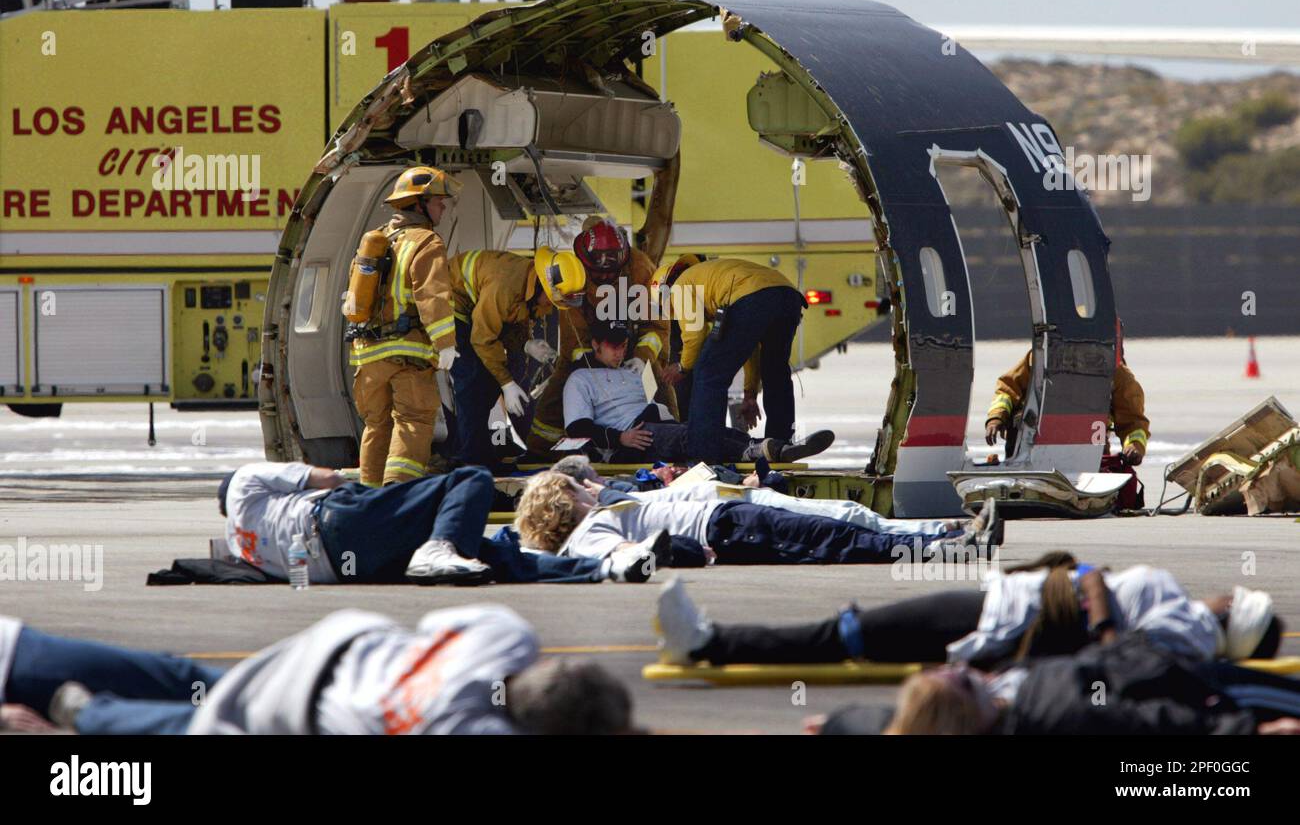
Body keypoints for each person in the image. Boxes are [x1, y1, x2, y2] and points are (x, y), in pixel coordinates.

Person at [0, 605, 634, 735]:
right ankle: (80, 717)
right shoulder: (462, 728)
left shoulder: (503, 637)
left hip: (319, 654)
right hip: (294, 712)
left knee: (181, 679)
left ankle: (76, 708)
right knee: (177, 731)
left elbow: (441, 623)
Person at [653, 558, 1281, 668]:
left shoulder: (1191, 629)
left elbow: (1118, 647)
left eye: (1235, 597)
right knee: (853, 633)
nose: (1225, 592)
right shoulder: (1184, 613)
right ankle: (711, 640)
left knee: (852, 632)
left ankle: (707, 642)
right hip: (1005, 609)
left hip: (999, 619)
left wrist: (1092, 596)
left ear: (1234, 616)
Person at [219, 461, 659, 587]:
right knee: (471, 479)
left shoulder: (243, 548)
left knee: (492, 559)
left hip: (341, 568)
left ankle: (606, 568)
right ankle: (437, 548)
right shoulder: (243, 481)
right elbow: (328, 478)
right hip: (337, 520)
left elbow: (294, 574)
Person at [817, 633, 1300, 735]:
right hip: (1208, 693)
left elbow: (877, 723)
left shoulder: (994, 701)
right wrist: (1245, 734)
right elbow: (1147, 728)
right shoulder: (1054, 715)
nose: (963, 669)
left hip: (1161, 667)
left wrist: (835, 724)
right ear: (966, 721)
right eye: (960, 684)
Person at [513, 470, 997, 566]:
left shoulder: (601, 512)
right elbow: (618, 555)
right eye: (578, 487)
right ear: (565, 502)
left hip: (727, 516)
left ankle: (943, 539)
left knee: (835, 533)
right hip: (723, 527)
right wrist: (653, 552)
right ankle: (939, 548)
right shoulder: (590, 529)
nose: (588, 488)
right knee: (834, 538)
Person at [561, 319, 834, 464]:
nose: (620, 352)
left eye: (623, 345)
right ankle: (763, 450)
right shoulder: (581, 379)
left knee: (700, 431)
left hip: (660, 428)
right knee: (692, 434)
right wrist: (621, 438)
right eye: (612, 346)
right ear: (595, 344)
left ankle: (766, 448)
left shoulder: (631, 371)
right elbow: (576, 428)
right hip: (634, 438)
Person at [347, 167, 460, 487]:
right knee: (414, 421)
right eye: (439, 202)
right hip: (406, 353)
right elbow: (432, 296)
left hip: (367, 357)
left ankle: (369, 496)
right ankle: (398, 493)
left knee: (376, 427)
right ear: (420, 204)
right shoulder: (426, 241)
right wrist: (446, 344)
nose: (443, 208)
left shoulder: (377, 241)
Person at [526, 218, 674, 453]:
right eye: (597, 273)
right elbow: (574, 338)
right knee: (557, 394)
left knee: (659, 389)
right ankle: (540, 453)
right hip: (591, 343)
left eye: (611, 273)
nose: (605, 277)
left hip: (631, 340)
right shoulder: (572, 270)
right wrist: (595, 360)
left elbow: (656, 325)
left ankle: (673, 441)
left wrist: (641, 356)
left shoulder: (641, 269)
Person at [654, 256, 820, 463]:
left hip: (751, 299)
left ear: (663, 292)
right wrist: (749, 393)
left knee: (708, 373)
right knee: (776, 373)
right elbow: (749, 348)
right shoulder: (706, 278)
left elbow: (694, 335)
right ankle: (780, 443)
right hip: (788, 297)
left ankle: (703, 452)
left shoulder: (680, 286)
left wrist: (682, 366)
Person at [448, 247, 585, 468]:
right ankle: (471, 462)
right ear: (543, 286)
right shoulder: (506, 285)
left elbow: (509, 321)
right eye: (550, 300)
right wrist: (507, 383)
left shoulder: (526, 285)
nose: (549, 308)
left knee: (490, 381)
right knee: (472, 380)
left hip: (473, 312)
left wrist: (526, 345)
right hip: (450, 307)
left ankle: (476, 452)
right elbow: (482, 338)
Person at [984, 345, 1150, 466]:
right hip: (1030, 450)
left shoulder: (1116, 372)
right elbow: (1007, 389)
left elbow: (1133, 421)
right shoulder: (1039, 358)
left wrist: (1134, 447)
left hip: (1089, 457)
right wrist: (996, 417)